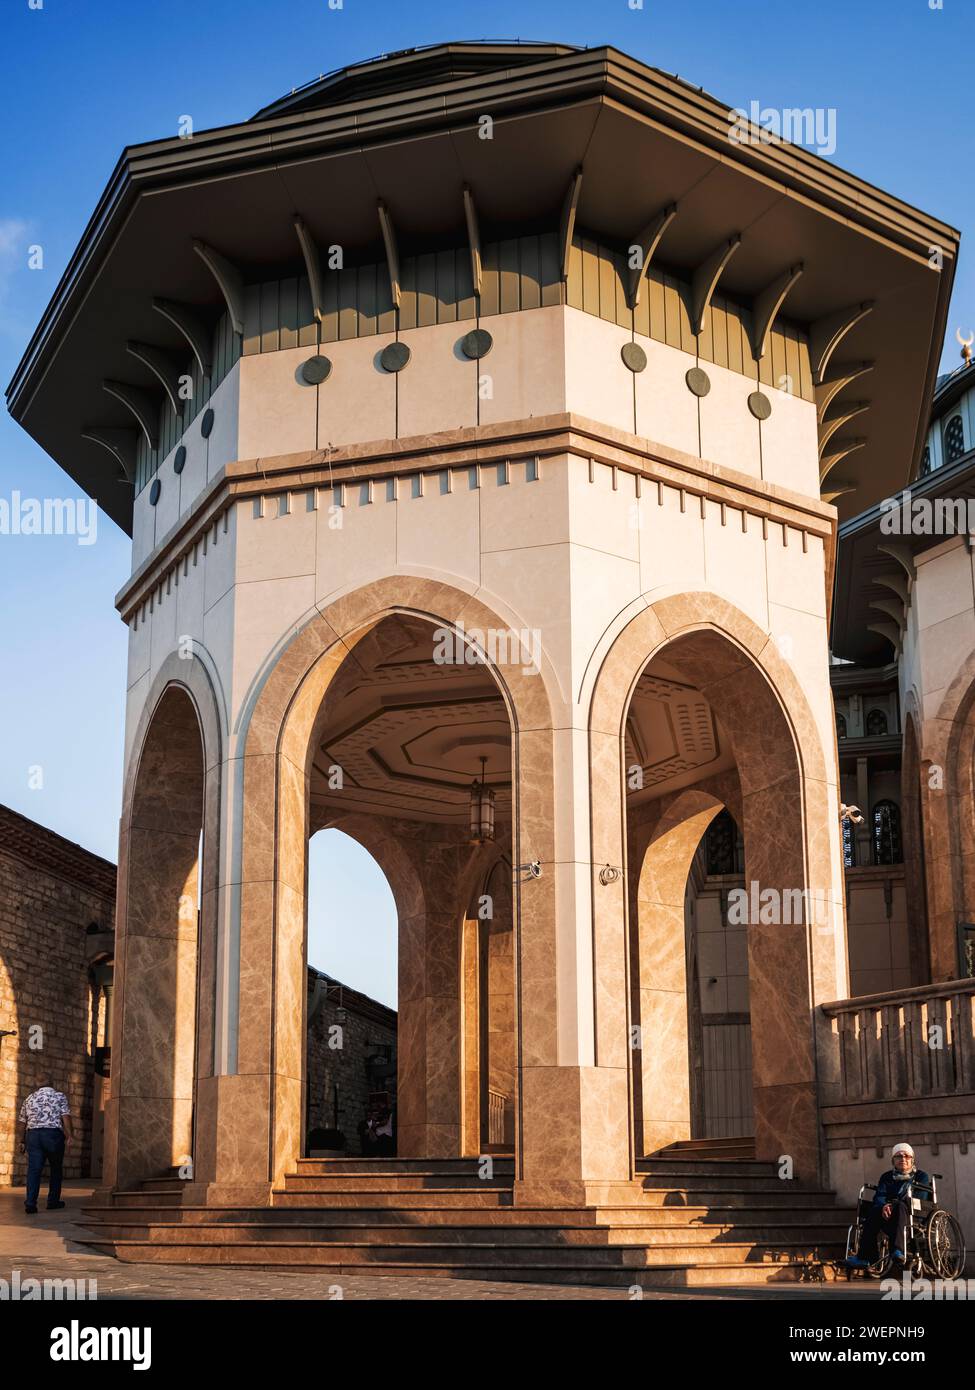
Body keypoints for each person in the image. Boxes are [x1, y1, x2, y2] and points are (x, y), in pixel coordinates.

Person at [847, 1141, 932, 1269]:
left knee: (900, 1206)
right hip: (887, 1215)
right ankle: (866, 1257)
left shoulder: (921, 1176)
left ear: (912, 1160)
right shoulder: (887, 1177)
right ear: (893, 1160)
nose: (903, 1159)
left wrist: (894, 1205)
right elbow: (880, 1195)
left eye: (906, 1156)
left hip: (912, 1215)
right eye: (898, 1156)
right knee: (873, 1210)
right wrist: (883, 1206)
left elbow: (920, 1198)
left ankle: (898, 1251)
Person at [18, 1083, 73, 1214]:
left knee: (34, 1170)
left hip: (34, 1136)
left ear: (38, 1085)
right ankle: (53, 1201)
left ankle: (31, 1203)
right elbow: (65, 1117)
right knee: (55, 1168)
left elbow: (22, 1122)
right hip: (53, 1135)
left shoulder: (29, 1098)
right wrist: (70, 1135)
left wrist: (21, 1140)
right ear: (52, 1084)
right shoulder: (59, 1096)